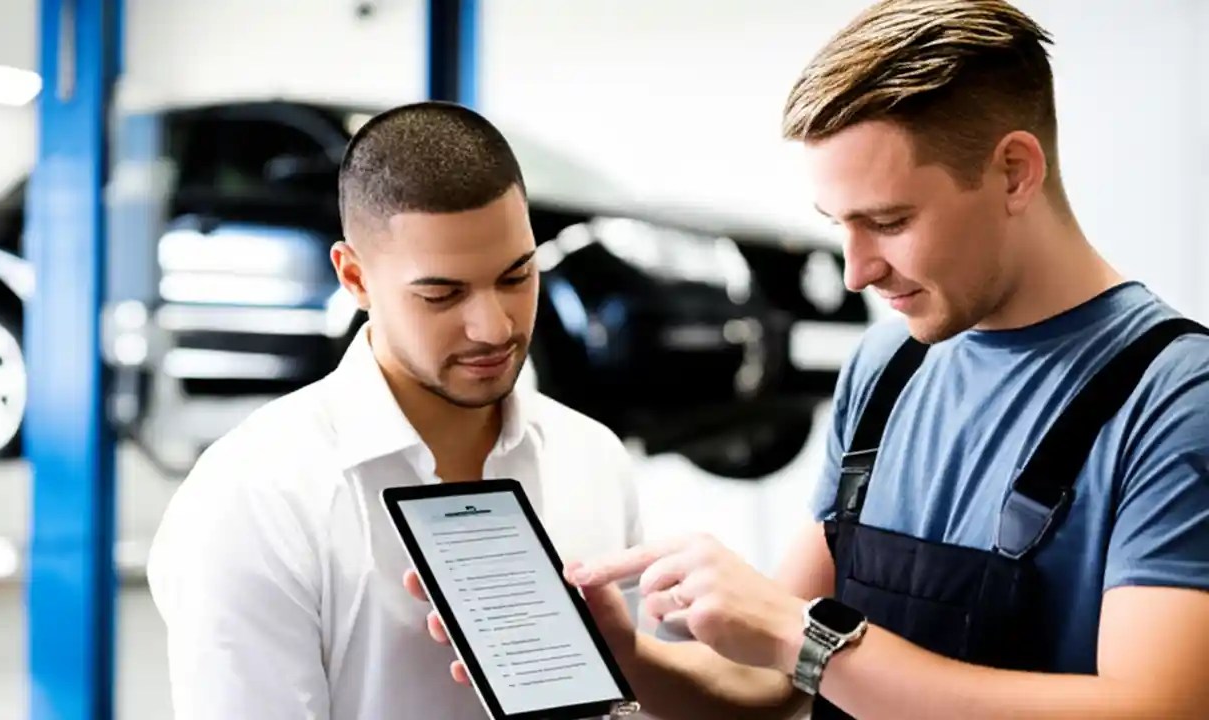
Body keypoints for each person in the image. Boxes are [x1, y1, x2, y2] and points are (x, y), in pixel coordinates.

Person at [407, 1, 1209, 717]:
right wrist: (628, 657)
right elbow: (773, 689)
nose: (857, 271)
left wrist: (806, 636)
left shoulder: (1175, 398)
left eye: (889, 221)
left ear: (1014, 171)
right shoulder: (889, 369)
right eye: (839, 224)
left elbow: (1159, 708)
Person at [146, 101, 644, 719]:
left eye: (517, 277)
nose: (493, 327)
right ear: (354, 277)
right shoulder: (253, 497)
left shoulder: (591, 457)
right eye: (442, 293)